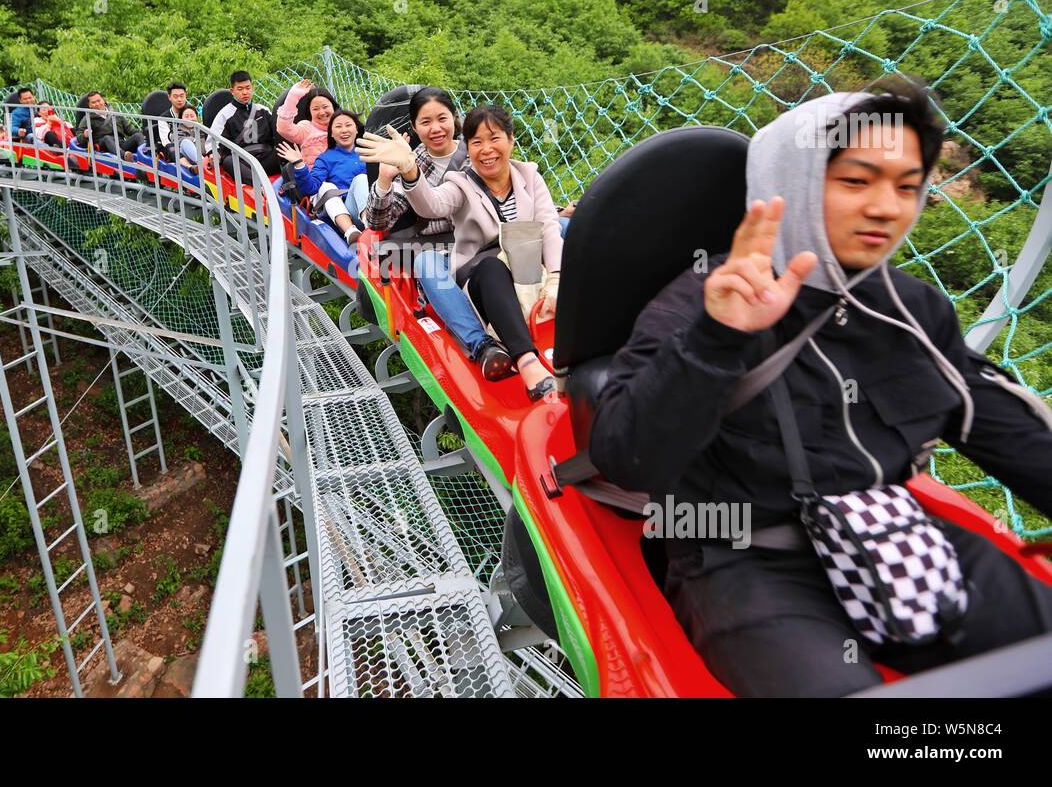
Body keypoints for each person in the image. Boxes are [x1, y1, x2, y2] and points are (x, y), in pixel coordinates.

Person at [588, 80, 1052, 697]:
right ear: (795, 179)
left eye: (907, 187)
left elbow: (998, 424)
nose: (888, 208)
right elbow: (626, 455)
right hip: (741, 553)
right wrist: (717, 338)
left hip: (886, 529)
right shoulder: (702, 301)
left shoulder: (912, 310)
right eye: (857, 181)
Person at [360, 105, 561, 399]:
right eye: (477, 142)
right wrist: (409, 171)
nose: (486, 149)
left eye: (494, 139)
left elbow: (548, 227)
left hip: (526, 263)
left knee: (570, 227)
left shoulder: (529, 176)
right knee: (471, 266)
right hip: (483, 272)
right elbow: (431, 205)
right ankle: (520, 360)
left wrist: (555, 276)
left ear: (511, 140)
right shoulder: (460, 182)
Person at [359, 87, 515, 382]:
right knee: (425, 264)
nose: (435, 129)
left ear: (454, 118)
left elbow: (509, 188)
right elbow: (378, 223)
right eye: (425, 122)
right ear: (415, 127)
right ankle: (480, 344)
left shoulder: (477, 149)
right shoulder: (413, 161)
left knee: (560, 229)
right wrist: (384, 179)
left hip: (488, 234)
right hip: (447, 246)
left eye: (441, 118)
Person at [276, 108, 367, 245]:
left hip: (372, 208)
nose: (344, 130)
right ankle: (351, 232)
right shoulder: (326, 158)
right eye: (338, 127)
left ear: (356, 129)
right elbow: (311, 188)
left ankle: (372, 226)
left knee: (362, 179)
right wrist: (300, 164)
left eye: (348, 125)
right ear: (331, 133)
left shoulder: (369, 153)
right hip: (342, 212)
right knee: (327, 186)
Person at [206, 71, 279, 179]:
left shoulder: (263, 110)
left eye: (248, 88)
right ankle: (259, 186)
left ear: (252, 88)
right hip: (242, 162)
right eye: (240, 89)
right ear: (232, 91)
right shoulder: (224, 114)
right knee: (228, 161)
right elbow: (213, 140)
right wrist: (214, 153)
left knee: (285, 152)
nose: (245, 92)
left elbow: (279, 132)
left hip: (265, 158)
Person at [276, 77, 338, 168]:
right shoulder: (306, 128)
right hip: (315, 179)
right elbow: (283, 128)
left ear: (333, 106)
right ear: (310, 112)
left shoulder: (343, 124)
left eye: (325, 107)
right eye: (315, 109)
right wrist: (293, 97)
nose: (322, 112)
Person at [77, 91, 146, 160]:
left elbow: (129, 129)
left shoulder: (115, 113)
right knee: (107, 138)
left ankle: (145, 155)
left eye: (99, 100)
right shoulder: (87, 118)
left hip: (120, 143)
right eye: (93, 102)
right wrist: (84, 135)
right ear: (90, 105)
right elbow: (79, 135)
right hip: (103, 146)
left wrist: (142, 134)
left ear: (103, 100)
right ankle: (124, 156)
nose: (97, 104)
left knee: (138, 135)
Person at [149, 83, 200, 166]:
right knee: (171, 147)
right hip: (175, 148)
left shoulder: (190, 112)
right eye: (175, 96)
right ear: (169, 97)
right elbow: (166, 142)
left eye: (182, 96)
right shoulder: (164, 119)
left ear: (186, 96)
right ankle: (191, 167)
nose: (179, 99)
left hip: (192, 145)